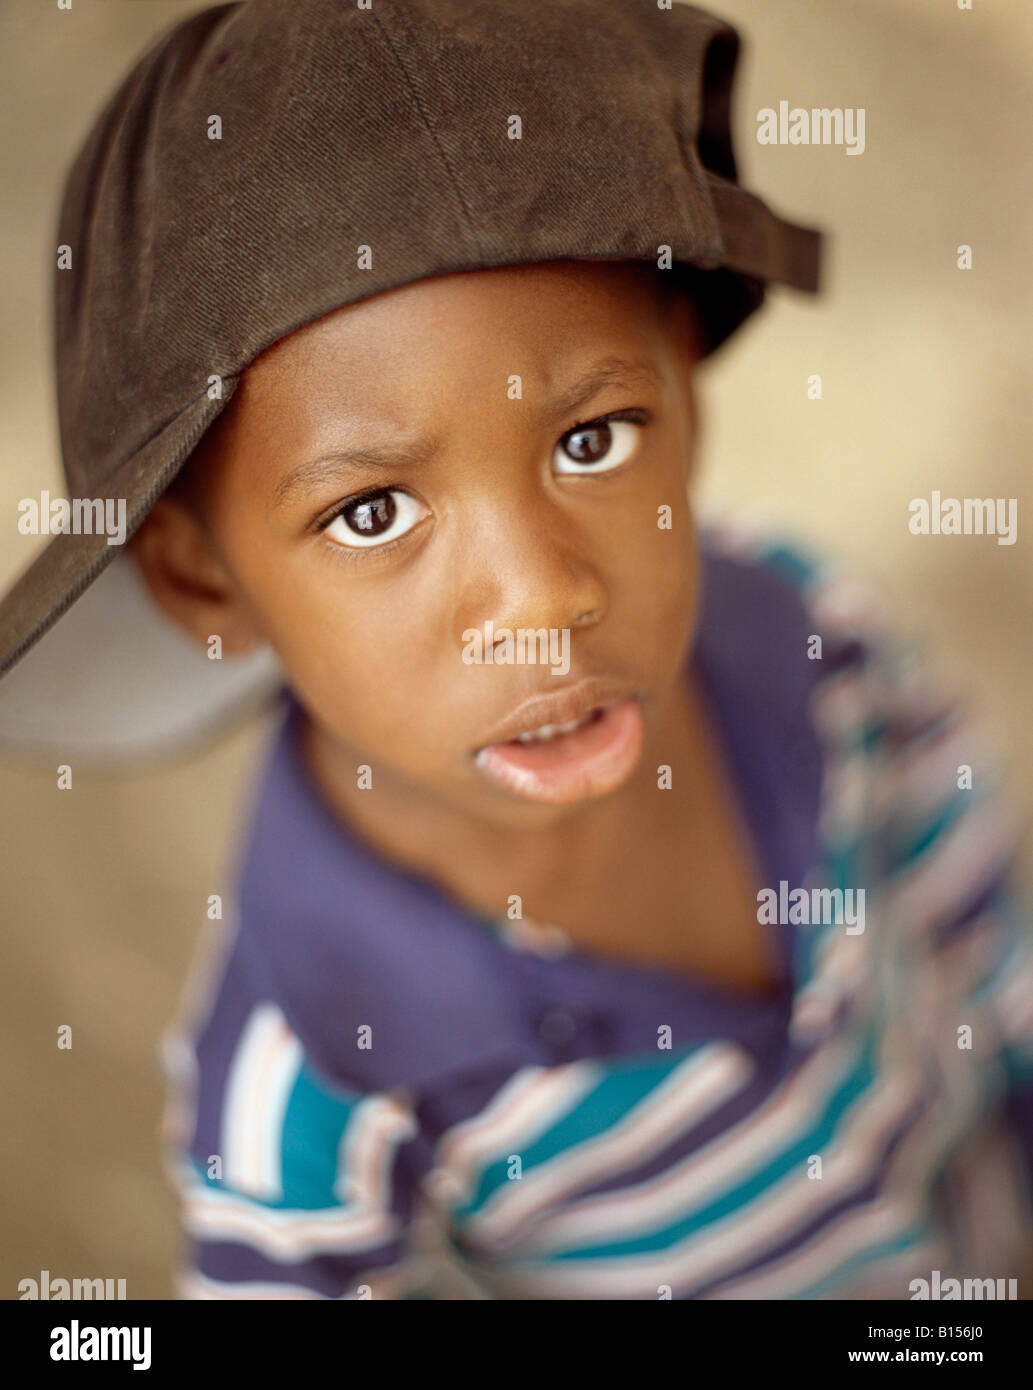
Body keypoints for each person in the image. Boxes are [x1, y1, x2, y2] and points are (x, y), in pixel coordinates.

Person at [1, 0, 1030, 1299]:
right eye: (371, 512)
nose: (541, 598)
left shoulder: (804, 624)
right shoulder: (312, 1098)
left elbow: (981, 927)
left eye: (590, 439)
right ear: (207, 575)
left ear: (682, 381)